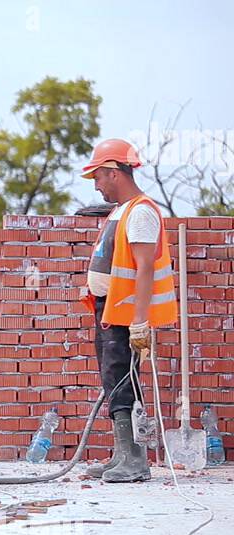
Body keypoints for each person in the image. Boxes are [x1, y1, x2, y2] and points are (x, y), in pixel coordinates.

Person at [79, 139, 177, 482]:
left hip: (124, 315)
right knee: (114, 380)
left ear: (113, 172)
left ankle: (135, 460)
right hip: (109, 311)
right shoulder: (121, 211)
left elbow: (145, 267)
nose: (96, 185)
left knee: (123, 381)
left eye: (97, 177)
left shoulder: (141, 212)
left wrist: (139, 322)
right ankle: (122, 455)